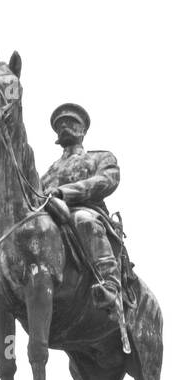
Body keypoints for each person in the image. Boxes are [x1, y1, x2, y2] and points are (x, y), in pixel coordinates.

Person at [41, 103, 123, 314]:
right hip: (50, 216)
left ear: (83, 130)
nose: (65, 126)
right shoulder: (47, 173)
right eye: (60, 125)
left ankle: (110, 285)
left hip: (86, 210)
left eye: (71, 122)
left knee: (84, 220)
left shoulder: (100, 157)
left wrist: (64, 193)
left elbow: (106, 180)